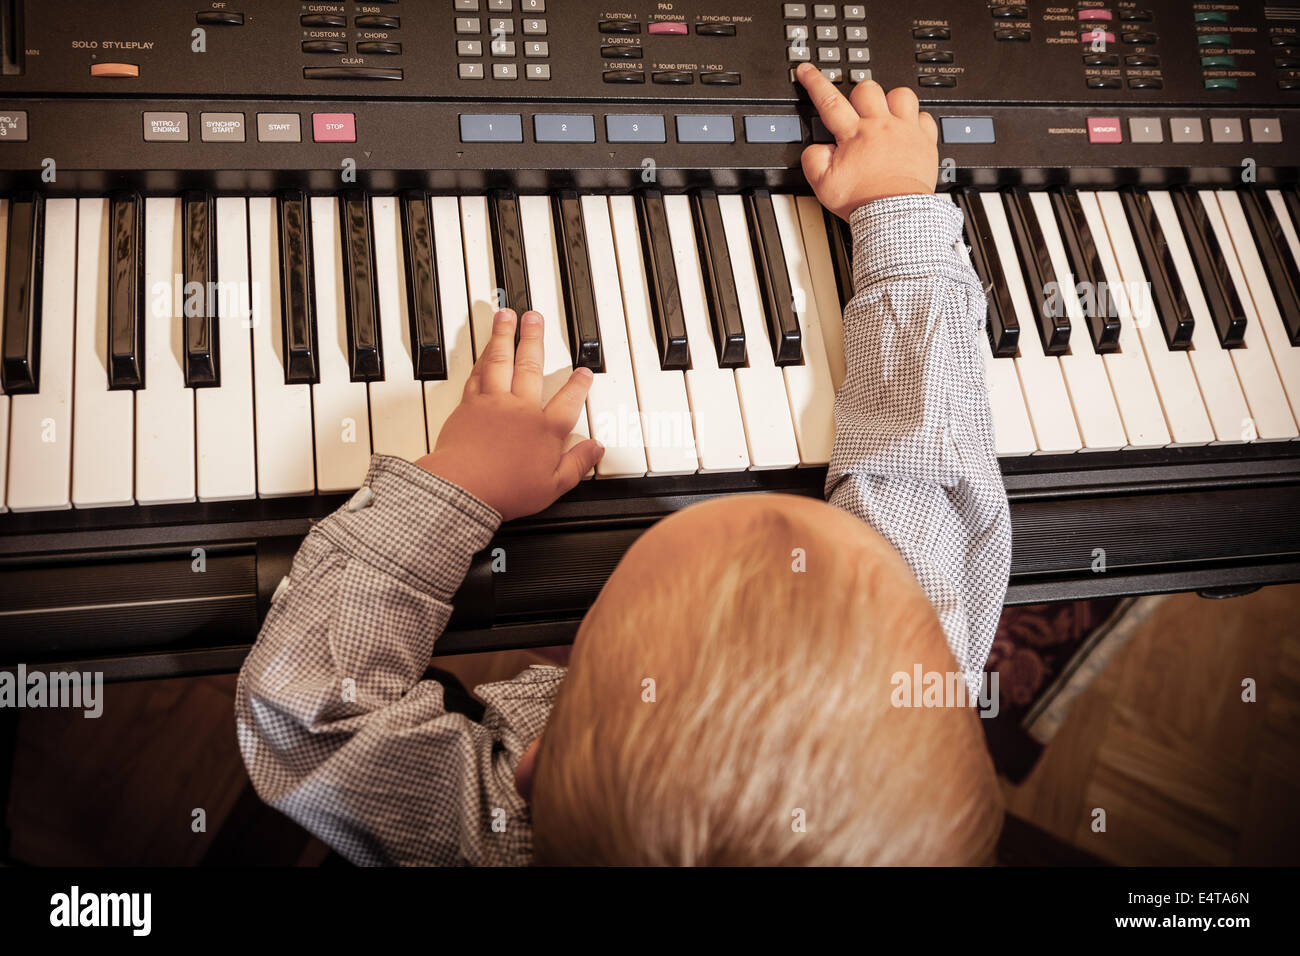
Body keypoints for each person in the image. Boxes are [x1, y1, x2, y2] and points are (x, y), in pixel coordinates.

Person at [236, 63, 1009, 865]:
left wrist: (457, 486)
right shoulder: (913, 669)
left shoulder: (501, 834)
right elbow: (919, 468)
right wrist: (896, 209)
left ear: (532, 771)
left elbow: (305, 711)